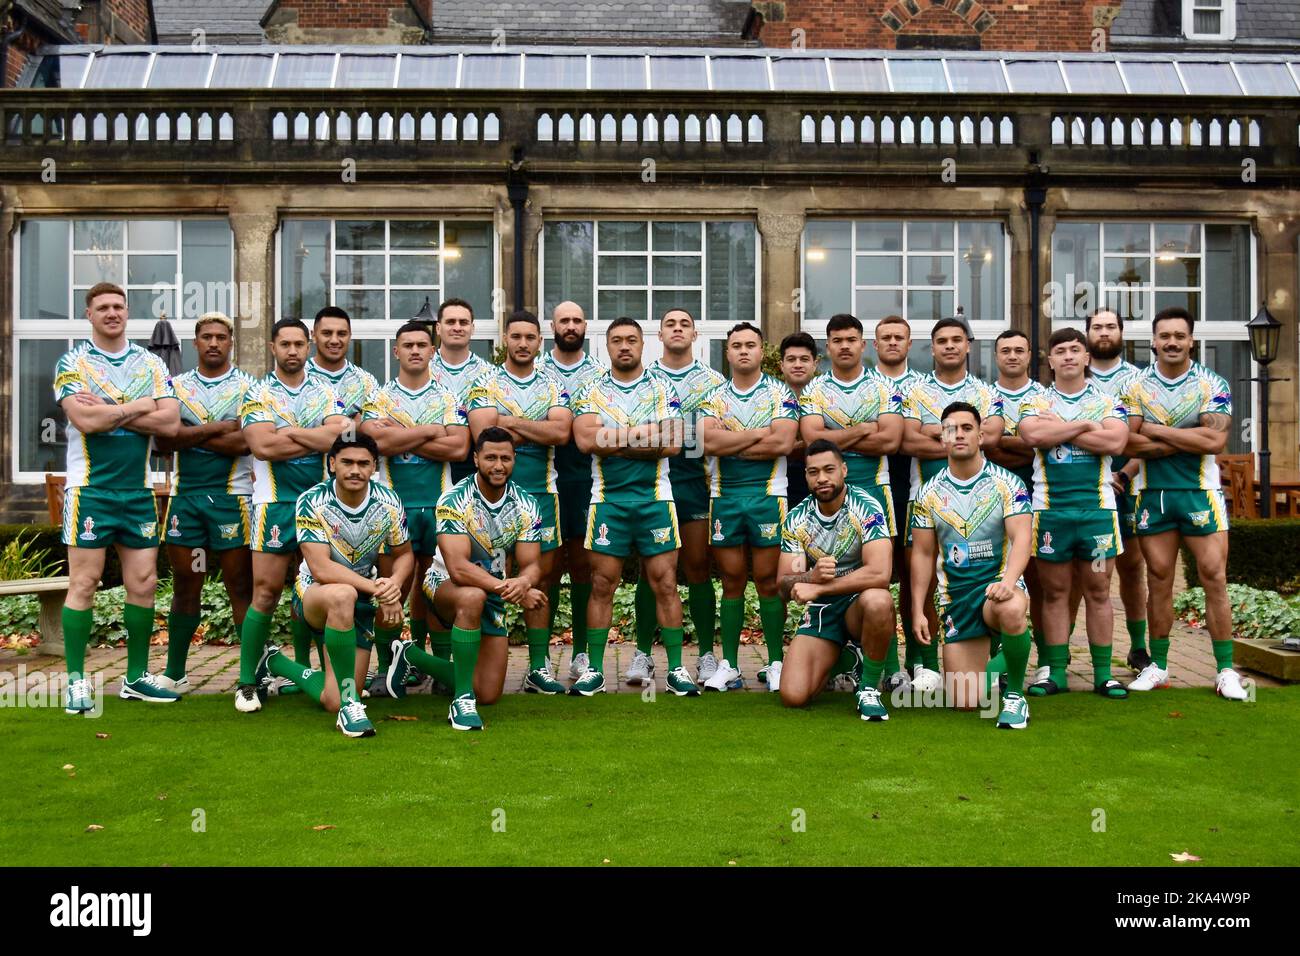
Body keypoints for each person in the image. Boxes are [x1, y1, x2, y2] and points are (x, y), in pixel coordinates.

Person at [55, 282, 181, 714]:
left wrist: (111, 409)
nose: (112, 313)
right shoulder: (73, 361)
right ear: (89, 314)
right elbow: (85, 421)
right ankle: (75, 682)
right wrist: (138, 405)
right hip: (90, 489)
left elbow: (170, 422)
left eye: (119, 307)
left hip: (138, 491)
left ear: (128, 313)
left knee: (144, 584)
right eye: (103, 307)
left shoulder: (148, 361)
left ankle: (136, 678)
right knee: (84, 583)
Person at [387, 428, 549, 730]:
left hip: (492, 592)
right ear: (476, 459)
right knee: (472, 597)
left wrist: (524, 583)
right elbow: (458, 568)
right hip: (444, 586)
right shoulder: (454, 499)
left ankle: (411, 655)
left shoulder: (526, 504)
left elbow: (531, 565)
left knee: (488, 692)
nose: (498, 465)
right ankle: (461, 701)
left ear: (514, 461)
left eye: (505, 458)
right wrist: (508, 588)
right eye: (490, 458)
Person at [1122, 307, 1247, 700]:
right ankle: (1158, 666)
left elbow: (1214, 442)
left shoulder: (1212, 383)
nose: (1172, 342)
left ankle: (1226, 671)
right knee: (1159, 581)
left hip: (1199, 493)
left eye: (1179, 335)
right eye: (1164, 336)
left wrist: (1155, 431)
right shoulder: (1137, 385)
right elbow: (1127, 442)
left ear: (1191, 340)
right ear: (1154, 341)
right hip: (1153, 494)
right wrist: (1184, 433)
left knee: (1214, 578)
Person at [571, 318, 698, 696]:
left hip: (656, 500)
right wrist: (643, 434)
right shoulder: (591, 389)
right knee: (602, 584)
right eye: (616, 341)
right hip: (607, 501)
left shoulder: (663, 387)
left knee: (666, 583)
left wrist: (612, 439)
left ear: (644, 345)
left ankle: (676, 668)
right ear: (606, 346)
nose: (624, 346)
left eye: (631, 340)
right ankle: (594, 669)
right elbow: (584, 441)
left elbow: (674, 443)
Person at [259, 434, 413, 737]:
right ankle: (351, 706)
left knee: (332, 697)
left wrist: (393, 583)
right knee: (344, 594)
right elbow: (321, 567)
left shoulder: (389, 501)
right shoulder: (312, 500)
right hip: (316, 592)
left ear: (374, 467)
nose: (355, 470)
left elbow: (404, 554)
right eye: (347, 462)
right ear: (332, 464)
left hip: (361, 595)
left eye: (363, 463)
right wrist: (378, 590)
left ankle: (276, 661)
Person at [235, 318, 349, 713]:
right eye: (285, 344)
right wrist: (311, 434)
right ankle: (247, 682)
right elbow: (262, 447)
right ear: (273, 348)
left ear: (309, 345)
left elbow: (337, 440)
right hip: (274, 505)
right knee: (265, 593)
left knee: (318, 589)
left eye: (300, 344)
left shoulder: (325, 391)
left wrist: (288, 432)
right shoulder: (258, 392)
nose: (293, 351)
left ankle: (317, 675)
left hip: (319, 506)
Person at [1017, 328, 1130, 699]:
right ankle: (1055, 672)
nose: (1067, 356)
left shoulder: (1109, 400)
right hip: (1050, 513)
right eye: (1060, 351)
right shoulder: (1035, 401)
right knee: (1054, 593)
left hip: (1097, 513)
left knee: (1099, 590)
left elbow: (1114, 441)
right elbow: (1033, 437)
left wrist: (1060, 431)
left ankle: (1103, 674)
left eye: (1074, 350)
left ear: (1085, 358)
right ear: (1049, 361)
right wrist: (1084, 425)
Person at [358, 320, 469, 693]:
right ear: (396, 351)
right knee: (394, 589)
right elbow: (377, 445)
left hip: (439, 506)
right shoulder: (378, 397)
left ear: (433, 350)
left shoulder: (448, 398)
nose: (416, 350)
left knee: (433, 587)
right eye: (408, 345)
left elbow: (459, 448)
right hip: (393, 508)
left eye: (422, 344)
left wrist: (401, 435)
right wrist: (430, 430)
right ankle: (390, 670)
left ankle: (436, 668)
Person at [909, 402, 1034, 730]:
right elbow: (922, 554)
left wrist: (1009, 581)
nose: (959, 434)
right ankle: (1001, 657)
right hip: (957, 599)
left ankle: (1015, 696)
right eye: (951, 429)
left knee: (1010, 609)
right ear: (942, 439)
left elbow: (1022, 538)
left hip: (996, 586)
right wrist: (919, 608)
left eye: (967, 428)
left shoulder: (1008, 483)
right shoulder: (928, 493)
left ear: (981, 435)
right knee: (965, 701)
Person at [467, 310, 573, 694]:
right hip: (488, 499)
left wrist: (508, 423)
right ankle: (471, 660)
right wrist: (533, 428)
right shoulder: (484, 382)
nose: (523, 343)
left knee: (539, 579)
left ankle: (539, 666)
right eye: (516, 336)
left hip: (541, 495)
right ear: (505, 341)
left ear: (539, 342)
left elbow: (561, 432)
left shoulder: (555, 384)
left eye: (531, 337)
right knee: (486, 578)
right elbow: (483, 436)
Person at [899, 317, 1004, 694]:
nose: (949, 346)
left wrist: (933, 430)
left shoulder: (985, 391)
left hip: (978, 502)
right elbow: (906, 441)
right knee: (920, 582)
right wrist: (957, 442)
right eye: (941, 340)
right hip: (925, 498)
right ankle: (925, 665)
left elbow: (992, 435)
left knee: (982, 578)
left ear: (968, 346)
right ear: (932, 346)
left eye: (956, 340)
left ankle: (992, 658)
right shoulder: (915, 391)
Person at [153, 313, 255, 694]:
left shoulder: (248, 387)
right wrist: (218, 428)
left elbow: (245, 443)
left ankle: (250, 676)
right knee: (186, 585)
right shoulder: (174, 386)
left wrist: (188, 434)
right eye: (206, 337)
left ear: (231, 343)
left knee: (239, 586)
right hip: (187, 502)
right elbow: (162, 443)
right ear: (195, 343)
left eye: (221, 337)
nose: (213, 343)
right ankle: (175, 671)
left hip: (233, 500)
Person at [622, 308, 724, 688]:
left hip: (694, 480)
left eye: (685, 324)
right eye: (670, 324)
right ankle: (644, 655)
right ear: (659, 336)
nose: (678, 329)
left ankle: (707, 657)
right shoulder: (644, 381)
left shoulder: (713, 382)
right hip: (651, 481)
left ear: (695, 335)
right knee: (653, 572)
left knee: (697, 568)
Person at [698, 322, 800, 691]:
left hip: (768, 494)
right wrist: (760, 432)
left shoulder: (780, 394)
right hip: (724, 495)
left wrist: (734, 439)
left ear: (762, 351)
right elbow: (707, 442)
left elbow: (783, 443)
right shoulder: (712, 396)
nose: (743, 351)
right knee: (732, 582)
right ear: (727, 353)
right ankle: (729, 666)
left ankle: (775, 662)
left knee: (770, 582)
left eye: (750, 345)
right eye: (736, 345)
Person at [777, 440, 896, 722]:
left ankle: (868, 689)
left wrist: (818, 586)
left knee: (880, 600)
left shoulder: (867, 507)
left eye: (829, 469)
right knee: (794, 696)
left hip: (859, 603)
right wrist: (808, 576)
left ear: (843, 470)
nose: (822, 478)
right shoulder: (797, 520)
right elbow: (782, 584)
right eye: (813, 472)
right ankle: (844, 659)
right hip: (823, 611)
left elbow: (879, 573)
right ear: (805, 476)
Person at [538, 301, 607, 681]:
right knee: (543, 570)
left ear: (585, 326)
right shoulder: (537, 371)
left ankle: (580, 653)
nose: (570, 325)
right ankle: (541, 655)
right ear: (552, 326)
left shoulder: (598, 374)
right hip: (540, 481)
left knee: (583, 567)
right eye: (563, 319)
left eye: (577, 319)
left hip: (585, 478)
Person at [1084, 308, 1151, 671]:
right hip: (1086, 489)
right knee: (1091, 573)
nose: (1104, 333)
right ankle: (1063, 658)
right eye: (1097, 327)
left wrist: (1123, 474)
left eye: (1111, 326)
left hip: (1129, 484)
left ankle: (1138, 647)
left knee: (1131, 567)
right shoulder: (1073, 375)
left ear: (1122, 332)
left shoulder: (1139, 381)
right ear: (1087, 335)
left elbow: (1142, 438)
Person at [985, 329, 1050, 680]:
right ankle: (998, 657)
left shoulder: (1045, 397)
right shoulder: (983, 395)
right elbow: (985, 446)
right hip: (989, 499)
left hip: (1037, 495)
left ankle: (1045, 661)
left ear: (1029, 355)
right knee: (996, 576)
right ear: (996, 356)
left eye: (1019, 350)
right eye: (1005, 350)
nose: (1012, 356)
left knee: (1038, 579)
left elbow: (1041, 445)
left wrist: (1008, 444)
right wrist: (1024, 442)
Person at [868, 315, 925, 693]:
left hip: (918, 489)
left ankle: (918, 660)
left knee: (914, 577)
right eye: (885, 337)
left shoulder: (923, 386)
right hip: (876, 485)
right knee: (877, 576)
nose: (892, 342)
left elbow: (905, 438)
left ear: (909, 344)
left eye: (898, 337)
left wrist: (899, 435)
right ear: (874, 345)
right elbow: (892, 438)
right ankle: (877, 660)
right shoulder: (865, 384)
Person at [430, 297, 493, 484]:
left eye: (463, 322)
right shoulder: (422, 370)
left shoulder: (489, 374)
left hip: (474, 469)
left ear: (472, 328)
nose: (457, 327)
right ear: (438, 328)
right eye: (450, 322)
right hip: (430, 463)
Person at [308, 306, 379, 419]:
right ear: (314, 336)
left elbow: (376, 427)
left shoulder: (366, 382)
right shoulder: (298, 378)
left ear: (350, 336)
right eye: (327, 333)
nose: (335, 340)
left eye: (341, 334)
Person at [779, 332, 819, 511]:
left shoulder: (829, 396)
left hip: (821, 484)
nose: (797, 365)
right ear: (781, 365)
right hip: (777, 486)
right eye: (791, 359)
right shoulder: (767, 398)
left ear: (815, 364)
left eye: (804, 359)